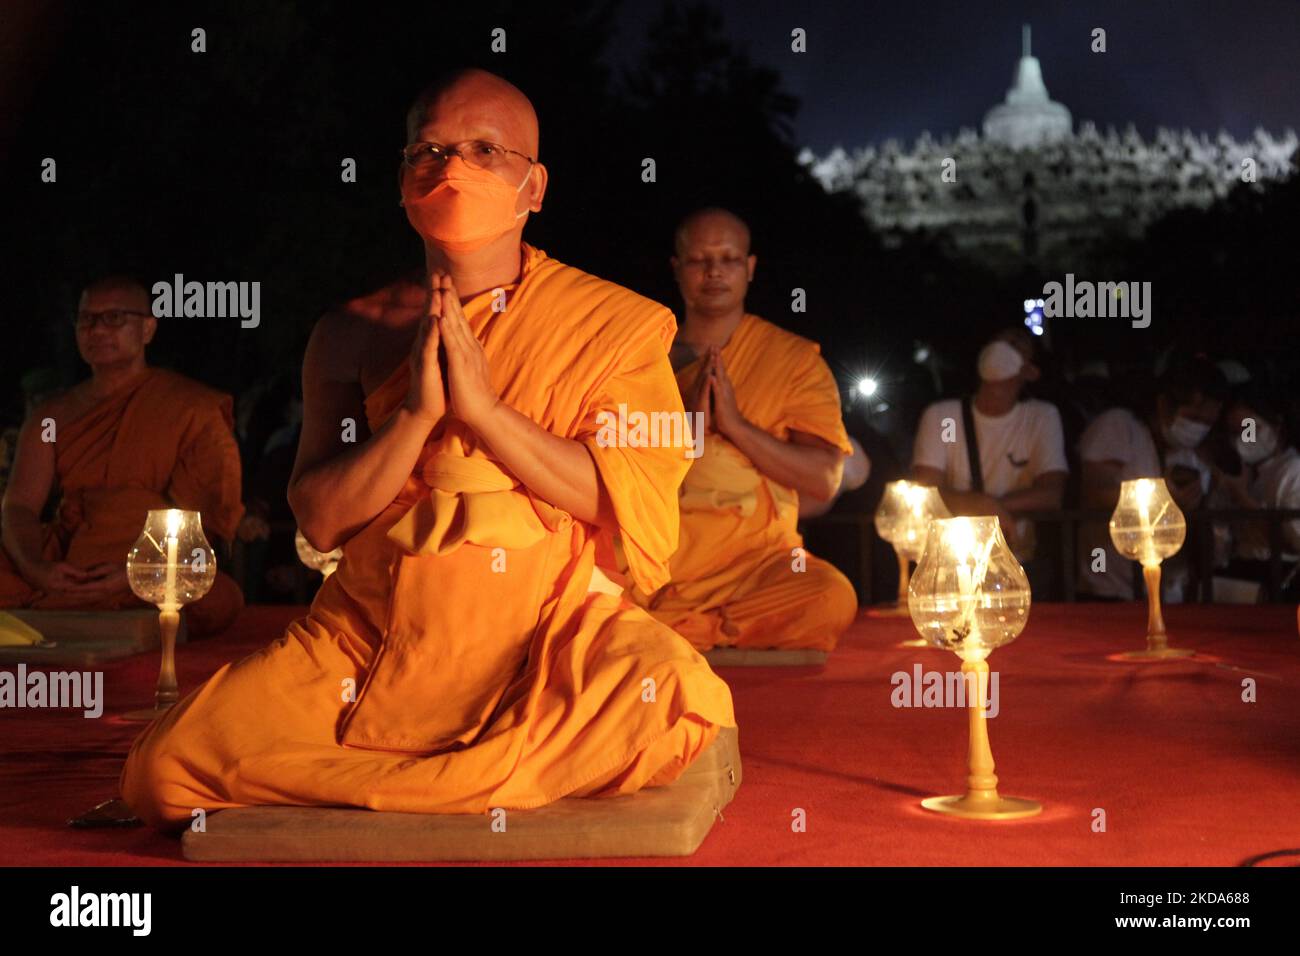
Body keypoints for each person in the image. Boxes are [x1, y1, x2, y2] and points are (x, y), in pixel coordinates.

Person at [120, 69, 735, 828]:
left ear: (534, 188)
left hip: (547, 631)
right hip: (366, 634)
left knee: (671, 698)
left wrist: (484, 414)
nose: (452, 170)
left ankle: (394, 779)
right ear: (401, 177)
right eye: (429, 151)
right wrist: (414, 416)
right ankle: (466, 779)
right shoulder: (351, 331)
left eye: (485, 151)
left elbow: (626, 497)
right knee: (163, 770)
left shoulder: (615, 323)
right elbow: (319, 520)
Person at [630, 208, 857, 653]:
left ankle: (695, 630)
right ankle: (672, 626)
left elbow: (823, 479)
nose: (714, 271)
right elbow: (621, 463)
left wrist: (735, 427)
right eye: (699, 260)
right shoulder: (642, 356)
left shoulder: (791, 359)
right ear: (677, 270)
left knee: (830, 597)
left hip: (757, 566)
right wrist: (690, 433)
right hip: (654, 558)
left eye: (729, 259)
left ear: (749, 268)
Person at [0, 277, 245, 636]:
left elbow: (207, 523)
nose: (97, 329)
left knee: (218, 597)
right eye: (86, 319)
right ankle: (62, 596)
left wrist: (139, 573)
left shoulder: (191, 408)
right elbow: (20, 505)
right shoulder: (51, 418)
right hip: (65, 560)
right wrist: (36, 566)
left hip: (153, 565)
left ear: (148, 328)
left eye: (114, 317)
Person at [911, 329, 1068, 568]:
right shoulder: (943, 416)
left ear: (1031, 371)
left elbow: (1051, 494)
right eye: (996, 341)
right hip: (952, 562)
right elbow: (926, 492)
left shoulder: (1041, 416)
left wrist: (987, 506)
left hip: (1017, 559)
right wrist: (984, 506)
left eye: (1016, 344)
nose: (1003, 348)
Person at [1077, 356, 1227, 600]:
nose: (1198, 429)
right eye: (1193, 418)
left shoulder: (1191, 455)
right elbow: (1092, 493)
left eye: (1206, 423)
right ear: (1164, 404)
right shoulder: (1119, 426)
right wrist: (1161, 497)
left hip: (1169, 592)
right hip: (1112, 590)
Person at [1213, 384, 1300, 597]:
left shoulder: (1293, 471)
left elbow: (1295, 542)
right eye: (1235, 433)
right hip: (1239, 574)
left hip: (1278, 577)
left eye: (1248, 429)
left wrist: (1243, 499)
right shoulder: (1243, 471)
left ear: (1276, 425)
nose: (1242, 440)